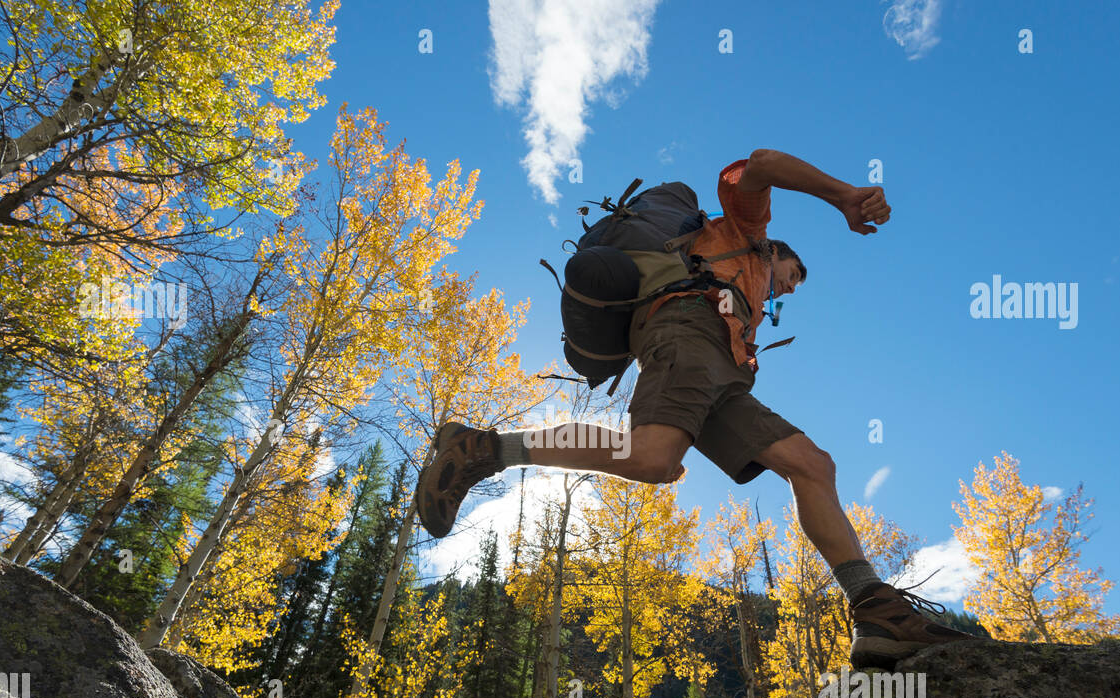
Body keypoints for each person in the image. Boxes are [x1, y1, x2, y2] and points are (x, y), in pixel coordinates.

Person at [416, 149, 979, 670]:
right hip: (685, 327)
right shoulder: (745, 232)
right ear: (776, 253)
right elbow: (760, 164)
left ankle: (875, 610)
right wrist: (843, 196)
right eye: (789, 279)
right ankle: (483, 448)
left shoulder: (752, 295)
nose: (782, 293)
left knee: (812, 464)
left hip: (724, 374)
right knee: (654, 460)